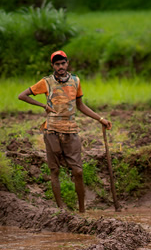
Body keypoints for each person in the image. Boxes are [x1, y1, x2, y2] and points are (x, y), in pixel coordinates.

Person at [18, 50, 111, 212]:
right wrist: (43, 106)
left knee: (78, 171)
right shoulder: (46, 82)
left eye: (63, 63)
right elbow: (22, 96)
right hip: (52, 131)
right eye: (57, 64)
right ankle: (61, 209)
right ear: (52, 65)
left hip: (71, 130)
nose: (60, 66)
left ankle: (82, 211)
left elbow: (81, 106)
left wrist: (100, 119)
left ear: (67, 63)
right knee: (54, 170)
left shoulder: (75, 81)